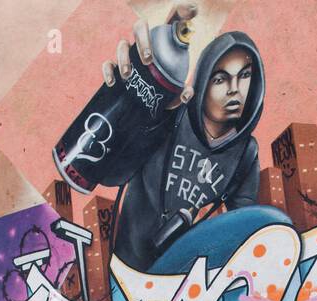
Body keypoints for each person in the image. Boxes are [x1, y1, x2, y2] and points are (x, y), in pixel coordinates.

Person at [98, 4, 291, 275]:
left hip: (186, 283)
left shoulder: (246, 152)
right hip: (127, 274)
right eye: (221, 79)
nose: (234, 90)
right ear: (203, 80)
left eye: (244, 75)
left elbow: (243, 227)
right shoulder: (169, 114)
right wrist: (126, 100)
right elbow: (110, 175)